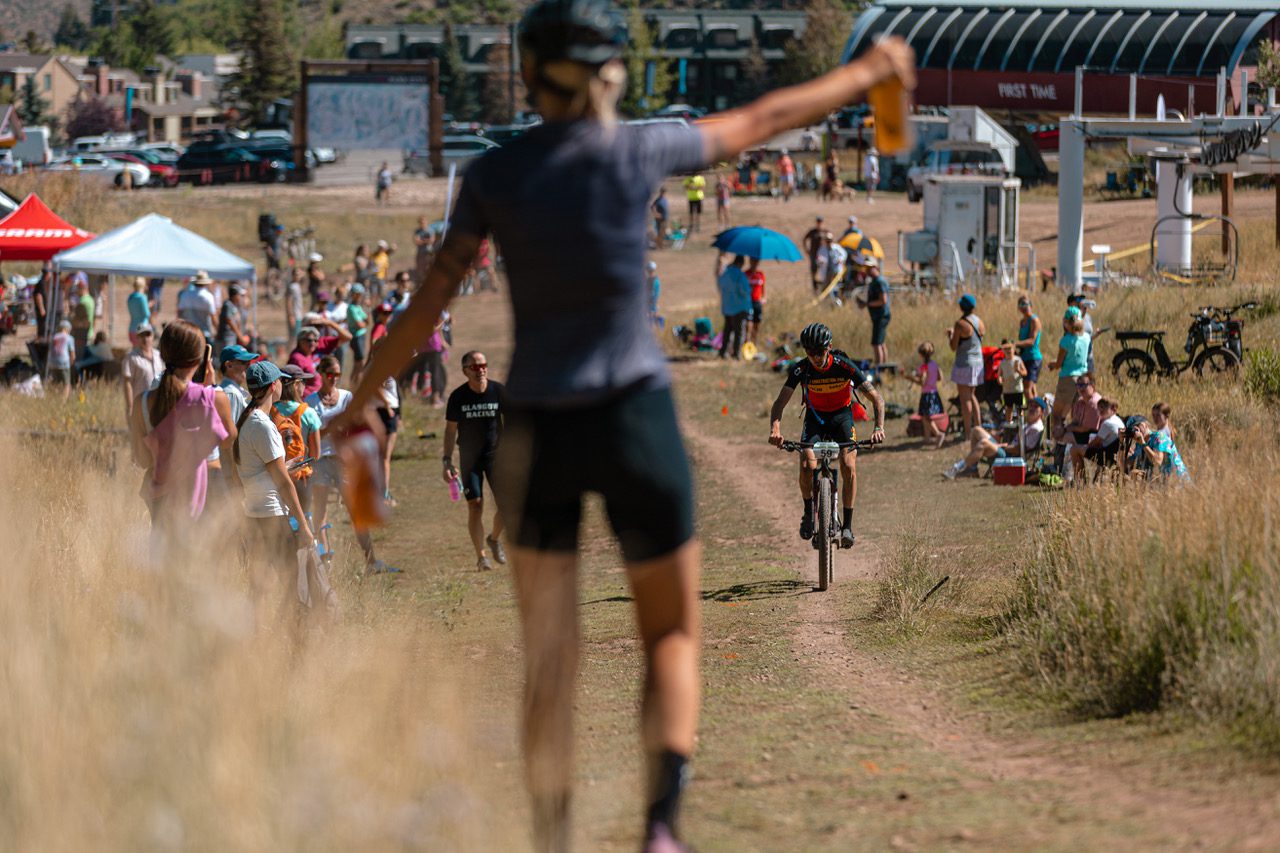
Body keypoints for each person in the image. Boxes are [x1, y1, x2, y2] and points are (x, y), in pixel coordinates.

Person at [334, 4, 913, 846]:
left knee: (550, 659)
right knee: (672, 632)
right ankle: (659, 829)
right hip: (634, 411)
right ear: (615, 73)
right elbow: (766, 116)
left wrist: (361, 396)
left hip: (540, 422)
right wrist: (869, 71)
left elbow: (426, 310)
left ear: (527, 80)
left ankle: (554, 834)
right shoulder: (643, 146)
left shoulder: (493, 175)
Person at [769, 322, 886, 546]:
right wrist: (775, 429)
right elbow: (779, 403)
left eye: (819, 352)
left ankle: (848, 526)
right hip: (815, 419)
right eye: (809, 352)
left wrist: (878, 428)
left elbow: (877, 399)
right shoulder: (801, 369)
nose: (815, 357)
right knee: (806, 465)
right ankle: (807, 512)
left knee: (848, 465)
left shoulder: (845, 366)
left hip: (841, 417)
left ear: (829, 347)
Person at [128, 320, 236, 536]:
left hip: (160, 491)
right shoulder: (214, 398)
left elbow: (142, 460)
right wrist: (210, 387)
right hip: (206, 489)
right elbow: (228, 440)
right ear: (200, 359)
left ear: (164, 354)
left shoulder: (141, 402)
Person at [231, 360, 316, 634]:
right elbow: (282, 484)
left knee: (259, 585)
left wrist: (285, 467)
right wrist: (303, 525)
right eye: (279, 380)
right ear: (272, 387)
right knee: (291, 585)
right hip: (271, 515)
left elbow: (263, 470)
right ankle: (292, 641)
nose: (283, 384)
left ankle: (258, 639)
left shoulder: (248, 419)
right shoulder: (263, 426)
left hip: (255, 512)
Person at [304, 355, 395, 574]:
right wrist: (333, 428)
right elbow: (312, 435)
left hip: (345, 459)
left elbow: (360, 422)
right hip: (322, 460)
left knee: (355, 510)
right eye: (329, 374)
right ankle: (323, 560)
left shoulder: (347, 397)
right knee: (320, 511)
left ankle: (371, 560)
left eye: (337, 374)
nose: (334, 378)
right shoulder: (311, 402)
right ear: (321, 374)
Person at [443, 350, 508, 571]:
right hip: (470, 458)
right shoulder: (458, 397)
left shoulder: (498, 391)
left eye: (483, 365)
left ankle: (494, 538)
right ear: (465, 371)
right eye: (475, 367)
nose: (480, 370)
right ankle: (481, 557)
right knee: (475, 506)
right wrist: (446, 461)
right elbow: (450, 431)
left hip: (496, 455)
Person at [945, 397, 1045, 479]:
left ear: (1042, 412)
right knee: (977, 430)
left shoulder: (1036, 428)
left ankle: (957, 468)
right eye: (1031, 405)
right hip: (1006, 449)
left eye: (1036, 407)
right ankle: (972, 469)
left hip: (1010, 457)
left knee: (984, 442)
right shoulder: (1029, 424)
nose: (1031, 409)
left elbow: (1019, 450)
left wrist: (1000, 446)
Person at [275, 364, 322, 516]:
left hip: (277, 476)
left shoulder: (270, 411)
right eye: (304, 382)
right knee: (303, 521)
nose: (305, 387)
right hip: (301, 478)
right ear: (296, 385)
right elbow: (316, 454)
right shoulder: (308, 413)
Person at [946, 293, 985, 439]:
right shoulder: (979, 322)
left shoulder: (960, 324)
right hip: (978, 363)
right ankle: (979, 427)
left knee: (964, 398)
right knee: (972, 396)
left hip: (964, 363)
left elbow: (953, 346)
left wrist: (950, 335)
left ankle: (968, 432)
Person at [1047, 313, 1090, 427]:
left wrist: (1053, 364)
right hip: (1083, 378)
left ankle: (1058, 442)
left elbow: (1059, 363)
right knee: (1075, 415)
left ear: (1067, 323)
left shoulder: (1066, 340)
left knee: (1057, 415)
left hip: (1068, 379)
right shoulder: (1086, 337)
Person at [289, 320, 352, 397]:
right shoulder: (297, 358)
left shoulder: (317, 346)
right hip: (307, 399)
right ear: (300, 341)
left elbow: (348, 337)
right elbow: (292, 384)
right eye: (309, 340)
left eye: (315, 340)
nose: (312, 343)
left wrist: (330, 323)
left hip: (321, 396)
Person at [1071, 397, 1123, 481]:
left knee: (1074, 449)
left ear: (1113, 408)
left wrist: (1085, 446)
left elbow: (1094, 443)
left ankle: (1079, 481)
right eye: (1099, 407)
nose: (1101, 410)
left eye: (1104, 406)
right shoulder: (1118, 421)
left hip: (1107, 457)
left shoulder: (1107, 423)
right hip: (1113, 454)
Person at [1061, 374, 1101, 483]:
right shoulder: (1080, 401)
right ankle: (1073, 477)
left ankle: (1072, 477)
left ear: (1092, 385)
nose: (1080, 388)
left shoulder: (1095, 403)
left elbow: (1086, 428)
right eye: (1078, 385)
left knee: (1069, 440)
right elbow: (1075, 421)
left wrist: (1068, 429)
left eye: (1083, 385)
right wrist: (1066, 428)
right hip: (1085, 434)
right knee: (1064, 437)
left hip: (1096, 437)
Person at [1125, 415, 1189, 482]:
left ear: (1144, 425)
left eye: (1137, 427)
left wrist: (1143, 444)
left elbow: (1157, 461)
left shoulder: (1160, 437)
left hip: (1178, 480)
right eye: (1132, 430)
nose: (1136, 431)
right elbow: (1124, 466)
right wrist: (1121, 443)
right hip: (1164, 482)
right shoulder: (1139, 444)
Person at [905, 341, 945, 448]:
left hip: (927, 394)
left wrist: (909, 378)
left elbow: (921, 382)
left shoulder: (924, 367)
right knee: (924, 416)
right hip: (934, 393)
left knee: (927, 417)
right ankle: (927, 438)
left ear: (921, 354)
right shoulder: (934, 364)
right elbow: (939, 377)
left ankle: (938, 434)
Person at [122, 322, 164, 418]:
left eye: (148, 334)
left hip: (157, 405)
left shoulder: (159, 356)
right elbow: (127, 383)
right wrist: (130, 406)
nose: (145, 339)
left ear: (153, 336)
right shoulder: (131, 357)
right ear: (137, 338)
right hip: (140, 405)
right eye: (142, 335)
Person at [717, 253, 750, 360]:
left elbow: (720, 285)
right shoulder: (740, 275)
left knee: (727, 331)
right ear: (741, 263)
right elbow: (743, 291)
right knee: (739, 332)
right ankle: (736, 354)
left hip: (727, 306)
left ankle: (723, 352)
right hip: (739, 307)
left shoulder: (725, 273)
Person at [862, 256, 890, 364]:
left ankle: (879, 369)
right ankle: (883, 367)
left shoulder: (879, 281)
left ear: (875, 267)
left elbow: (883, 300)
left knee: (876, 343)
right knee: (881, 342)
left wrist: (867, 304)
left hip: (881, 316)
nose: (867, 270)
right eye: (866, 268)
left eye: (869, 268)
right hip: (878, 316)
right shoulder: (874, 281)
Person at [1015, 295, 1042, 402]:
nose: (1024, 307)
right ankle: (1039, 413)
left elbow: (1032, 341)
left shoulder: (1034, 320)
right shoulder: (1022, 322)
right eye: (1021, 304)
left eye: (1026, 304)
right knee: (1032, 389)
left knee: (1027, 389)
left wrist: (1016, 344)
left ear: (1031, 305)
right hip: (1024, 358)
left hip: (1033, 358)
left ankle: (1034, 412)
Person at [177, 272, 218, 343]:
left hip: (188, 332)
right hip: (204, 333)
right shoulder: (208, 297)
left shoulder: (185, 295)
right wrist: (218, 330)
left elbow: (179, 314)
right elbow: (213, 317)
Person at [998, 339, 1026, 424]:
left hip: (1017, 388)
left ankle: (1021, 422)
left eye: (1010, 348)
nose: (1008, 351)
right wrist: (999, 379)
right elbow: (999, 374)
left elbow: (1025, 372)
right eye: (1006, 349)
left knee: (1019, 407)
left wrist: (1018, 370)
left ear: (1014, 349)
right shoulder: (1002, 363)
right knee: (1008, 407)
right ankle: (1009, 423)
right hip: (1007, 389)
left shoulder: (1018, 360)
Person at [347, 284, 370, 377]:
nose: (359, 296)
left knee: (358, 362)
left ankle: (354, 383)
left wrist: (364, 324)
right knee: (359, 363)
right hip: (356, 337)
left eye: (360, 294)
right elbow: (360, 324)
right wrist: (364, 324)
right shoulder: (351, 308)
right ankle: (354, 383)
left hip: (361, 336)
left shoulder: (358, 307)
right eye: (357, 294)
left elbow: (367, 320)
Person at [216, 285, 250, 351]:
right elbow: (229, 321)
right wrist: (240, 337)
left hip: (231, 338)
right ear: (234, 296)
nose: (240, 297)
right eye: (239, 295)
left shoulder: (234, 305)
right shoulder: (228, 305)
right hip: (225, 338)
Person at [48, 319, 75, 397]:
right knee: (66, 384)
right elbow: (73, 354)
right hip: (64, 362)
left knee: (55, 382)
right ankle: (63, 402)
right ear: (67, 329)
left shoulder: (54, 337)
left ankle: (53, 397)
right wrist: (71, 363)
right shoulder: (70, 338)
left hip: (52, 362)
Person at [70, 277, 95, 359]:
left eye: (78, 288)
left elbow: (78, 317)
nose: (76, 291)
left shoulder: (83, 301)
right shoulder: (91, 299)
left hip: (81, 335)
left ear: (82, 289)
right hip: (89, 332)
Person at [803, 216, 827, 290]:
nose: (819, 223)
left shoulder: (825, 232)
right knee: (814, 270)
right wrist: (806, 249)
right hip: (813, 254)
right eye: (818, 222)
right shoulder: (812, 232)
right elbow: (804, 239)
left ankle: (823, 284)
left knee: (823, 270)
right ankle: (815, 286)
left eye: (820, 222)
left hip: (822, 254)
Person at [745, 257, 765, 344]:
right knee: (748, 324)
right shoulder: (746, 274)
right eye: (753, 261)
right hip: (748, 302)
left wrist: (764, 298)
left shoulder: (760, 274)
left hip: (757, 302)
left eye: (756, 261)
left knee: (757, 324)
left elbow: (763, 287)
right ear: (750, 261)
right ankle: (747, 342)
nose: (755, 263)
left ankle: (754, 342)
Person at [127, 276, 151, 343]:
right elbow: (147, 314)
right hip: (142, 329)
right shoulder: (142, 297)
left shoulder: (130, 298)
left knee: (135, 351)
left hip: (132, 329)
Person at [414, 216, 437, 284]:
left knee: (429, 268)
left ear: (426, 222)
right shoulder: (417, 231)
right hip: (420, 253)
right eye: (421, 222)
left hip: (429, 253)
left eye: (424, 222)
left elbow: (432, 241)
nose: (422, 223)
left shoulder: (431, 230)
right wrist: (426, 241)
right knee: (420, 269)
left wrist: (422, 241)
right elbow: (417, 241)